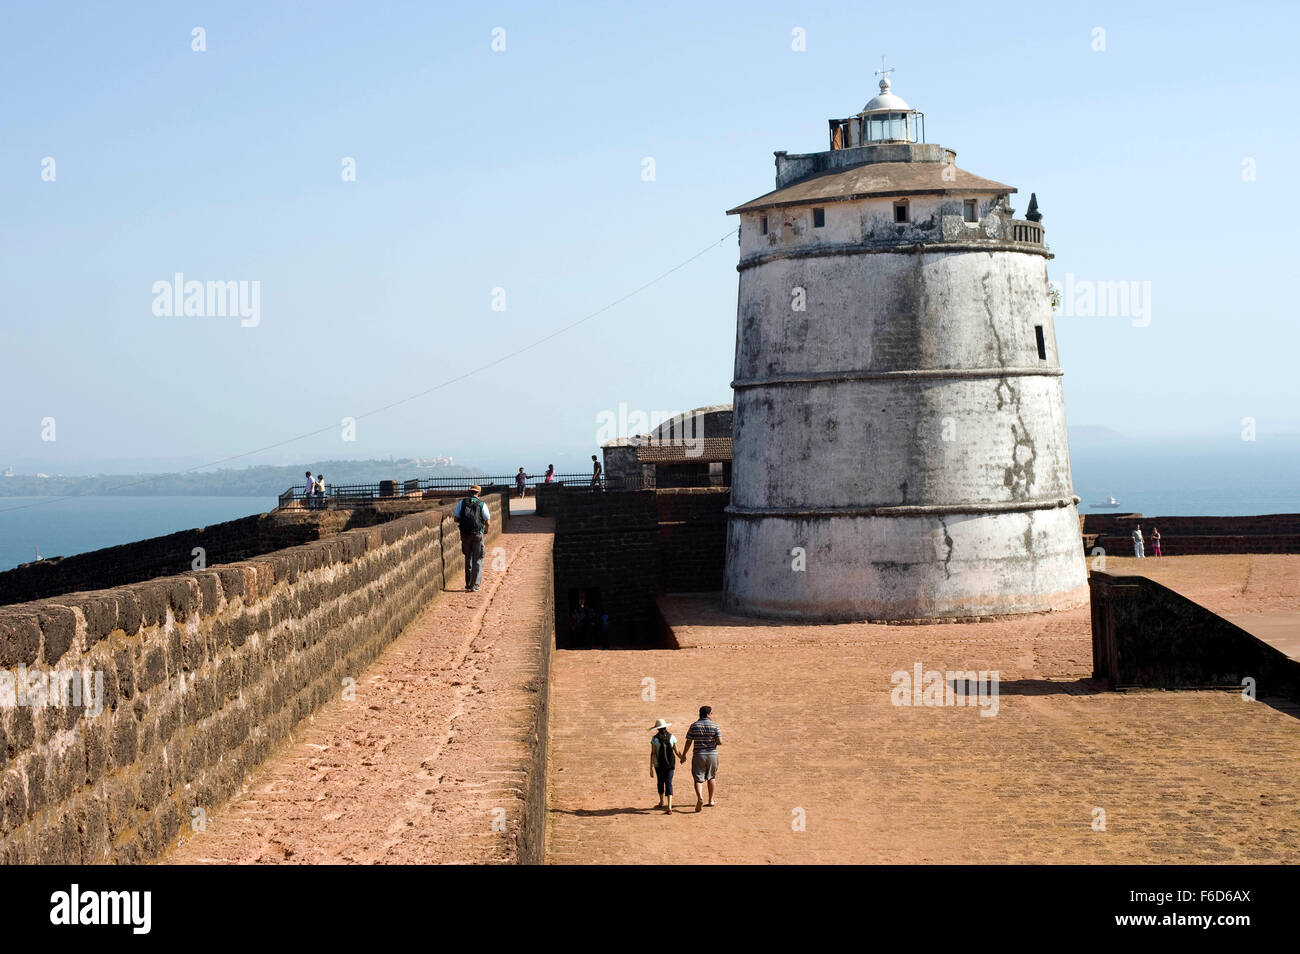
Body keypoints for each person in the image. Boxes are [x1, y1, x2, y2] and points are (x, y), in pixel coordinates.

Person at [680, 705, 722, 813]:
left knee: (698, 779)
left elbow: (689, 741)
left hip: (699, 754)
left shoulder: (694, 726)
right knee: (711, 777)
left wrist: (684, 755)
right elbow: (720, 741)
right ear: (708, 714)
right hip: (712, 754)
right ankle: (711, 800)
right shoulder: (715, 726)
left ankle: (699, 797)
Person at [454, 485, 490, 592]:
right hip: (478, 534)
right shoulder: (482, 504)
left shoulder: (462, 503)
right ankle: (476, 585)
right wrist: (486, 530)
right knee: (478, 558)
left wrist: (465, 523)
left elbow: (456, 518)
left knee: (468, 558)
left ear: (469, 492)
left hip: (465, 534)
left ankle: (468, 584)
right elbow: (487, 521)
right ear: (479, 493)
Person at [649, 718, 680, 814]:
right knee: (669, 782)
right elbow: (677, 751)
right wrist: (682, 757)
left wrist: (651, 767)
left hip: (658, 765)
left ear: (657, 729)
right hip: (670, 764)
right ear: (666, 727)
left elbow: (653, 753)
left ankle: (661, 801)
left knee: (660, 782)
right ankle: (669, 806)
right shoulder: (672, 737)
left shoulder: (654, 739)